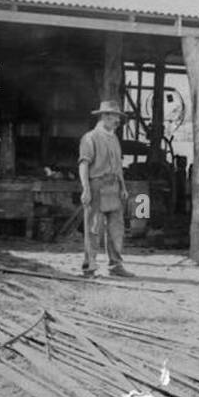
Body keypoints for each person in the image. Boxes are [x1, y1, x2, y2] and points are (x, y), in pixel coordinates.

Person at [79, 99, 133, 278]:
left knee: (116, 229)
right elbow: (84, 164)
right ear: (104, 116)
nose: (117, 121)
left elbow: (118, 165)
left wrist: (123, 187)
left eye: (118, 117)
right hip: (97, 185)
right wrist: (86, 188)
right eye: (114, 117)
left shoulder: (114, 138)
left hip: (114, 187)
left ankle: (116, 265)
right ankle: (90, 267)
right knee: (93, 228)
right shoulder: (90, 137)